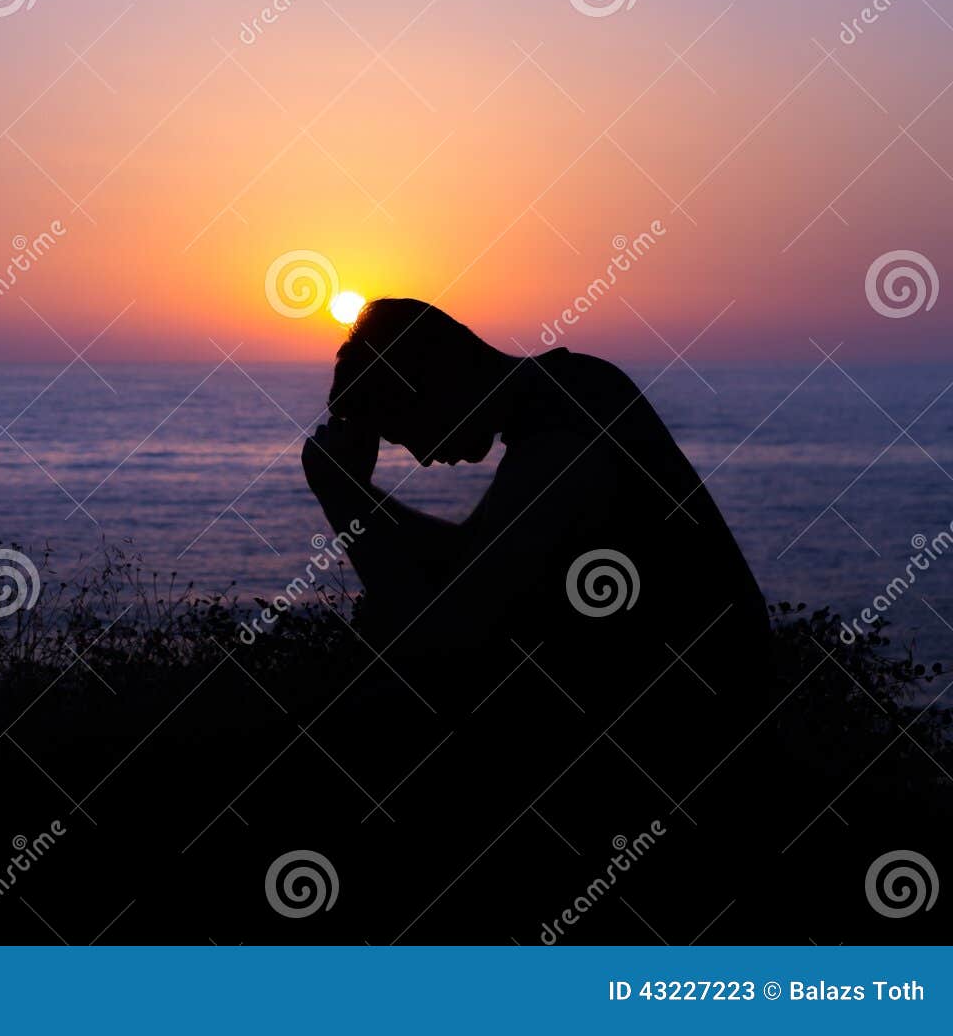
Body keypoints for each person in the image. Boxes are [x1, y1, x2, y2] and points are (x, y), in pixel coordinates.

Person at [302, 298, 774, 939]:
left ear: (432, 380)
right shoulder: (575, 388)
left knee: (372, 725)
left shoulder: (560, 443)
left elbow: (445, 642)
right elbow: (475, 563)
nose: (414, 454)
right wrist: (352, 495)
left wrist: (343, 498)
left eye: (401, 426)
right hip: (673, 704)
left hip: (684, 737)